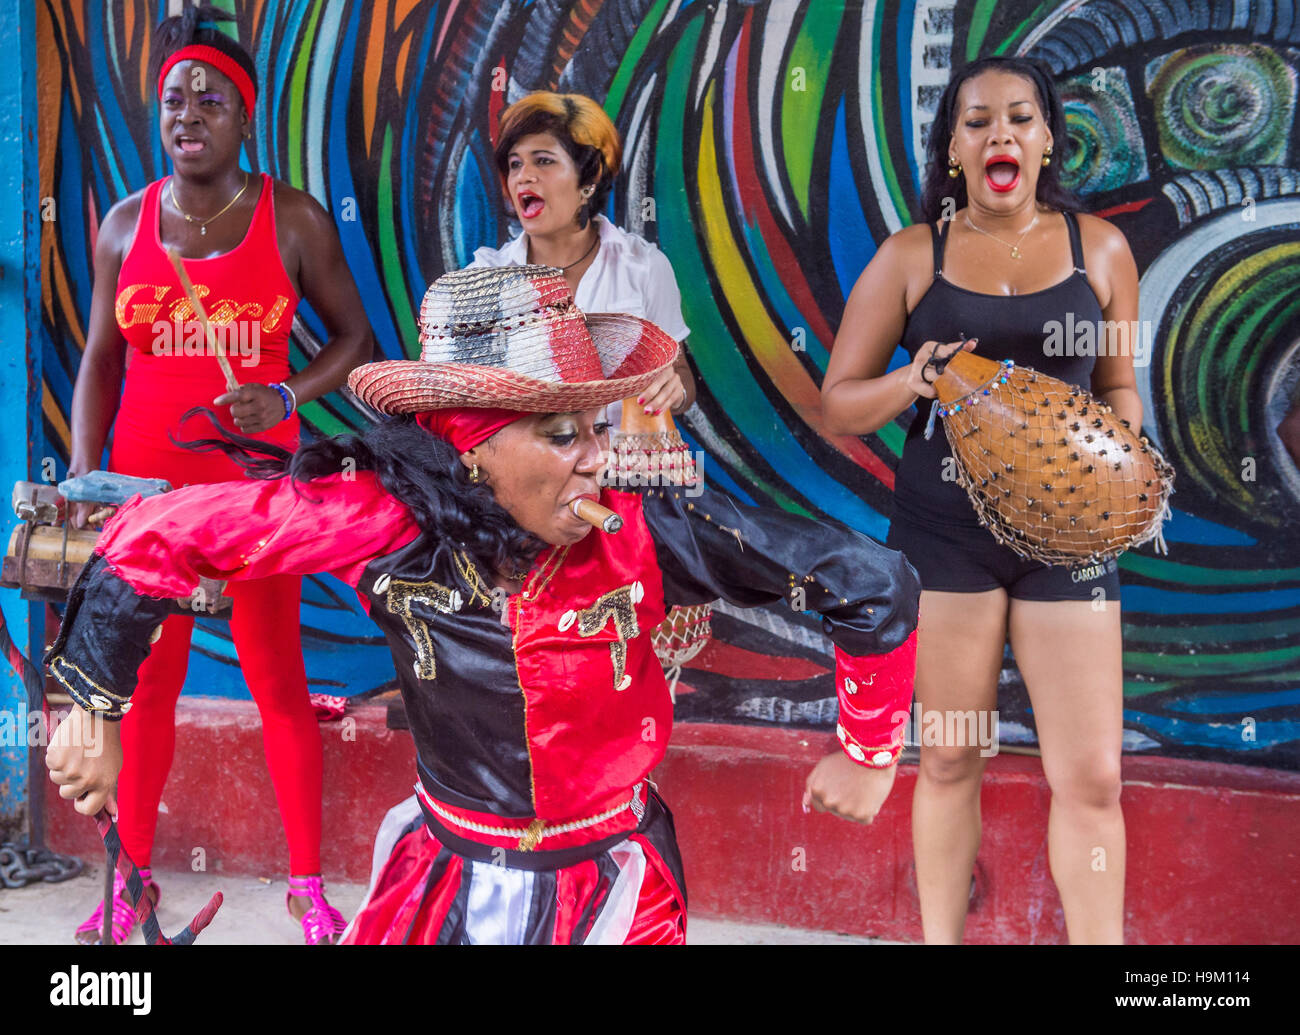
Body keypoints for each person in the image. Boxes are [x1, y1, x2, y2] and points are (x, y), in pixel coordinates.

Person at [46, 263, 921, 944]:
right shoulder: (387, 524)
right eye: (561, 433)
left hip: (611, 882)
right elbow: (159, 531)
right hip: (442, 872)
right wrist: (92, 705)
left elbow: (867, 578)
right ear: (471, 449)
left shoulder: (647, 532)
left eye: (599, 426)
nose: (596, 458)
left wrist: (870, 749)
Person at [63, 6, 373, 944]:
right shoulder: (127, 224)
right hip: (145, 500)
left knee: (277, 678)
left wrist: (285, 398)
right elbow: (98, 365)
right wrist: (83, 472)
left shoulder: (292, 219)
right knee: (140, 686)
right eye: (172, 99)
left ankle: (309, 889)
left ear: (244, 117)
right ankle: (135, 882)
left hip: (252, 497)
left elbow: (356, 341)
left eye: (208, 98)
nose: (186, 112)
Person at [821, 56, 1141, 944]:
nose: (1000, 133)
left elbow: (1121, 385)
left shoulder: (1100, 250)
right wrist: (912, 381)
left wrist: (1121, 450)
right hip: (946, 539)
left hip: (1070, 540)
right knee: (954, 752)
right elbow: (838, 398)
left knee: (1092, 776)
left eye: (1020, 117)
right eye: (977, 121)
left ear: (1046, 141)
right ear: (954, 150)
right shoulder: (912, 257)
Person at [470, 91, 695, 420]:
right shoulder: (484, 277)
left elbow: (681, 373)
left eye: (543, 160)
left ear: (588, 180)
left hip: (622, 468)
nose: (523, 176)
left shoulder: (643, 267)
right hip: (529, 470)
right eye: (515, 163)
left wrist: (675, 390)